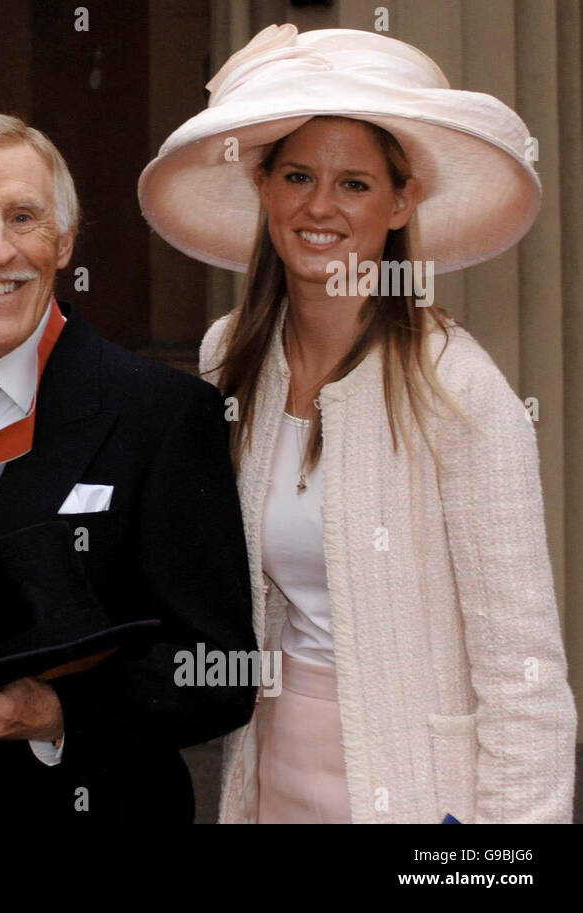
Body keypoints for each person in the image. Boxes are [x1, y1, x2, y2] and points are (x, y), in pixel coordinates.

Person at [140, 24, 577, 822]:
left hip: (418, 792)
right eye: (298, 175)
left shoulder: (458, 387)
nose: (319, 207)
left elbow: (524, 671)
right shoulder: (227, 357)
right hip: (268, 775)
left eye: (355, 184)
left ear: (403, 199)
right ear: (263, 187)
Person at [0, 112, 257, 823]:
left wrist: (50, 713)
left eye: (23, 217)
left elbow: (220, 675)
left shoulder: (160, 414)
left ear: (64, 240)